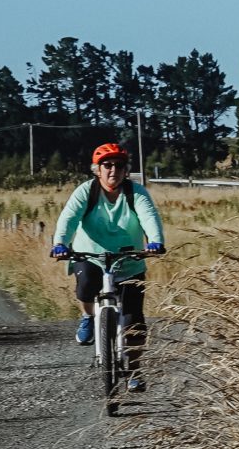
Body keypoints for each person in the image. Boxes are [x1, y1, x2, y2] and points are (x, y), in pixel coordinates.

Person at [49, 142, 165, 391]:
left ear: (126, 170)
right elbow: (69, 218)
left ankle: (134, 370)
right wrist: (60, 243)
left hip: (129, 259)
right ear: (97, 169)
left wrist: (156, 241)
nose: (113, 170)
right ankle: (88, 316)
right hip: (90, 255)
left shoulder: (136, 192)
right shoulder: (86, 191)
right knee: (86, 286)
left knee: (134, 319)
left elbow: (149, 216)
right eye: (107, 165)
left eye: (119, 165)